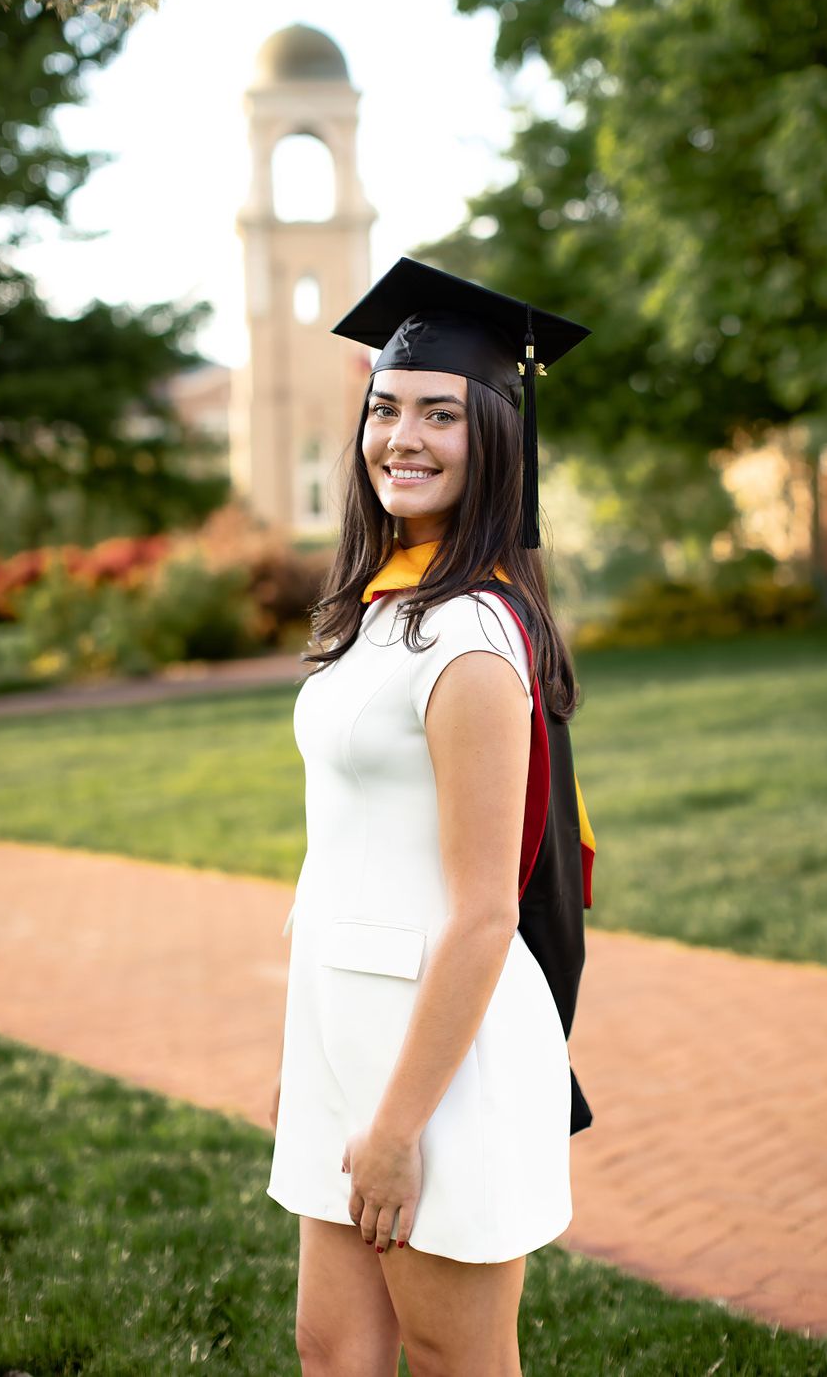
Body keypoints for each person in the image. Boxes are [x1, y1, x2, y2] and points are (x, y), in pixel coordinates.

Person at [266, 257, 596, 1377]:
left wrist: (400, 1127)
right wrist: (308, 1038)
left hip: (438, 1060)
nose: (401, 437)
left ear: (494, 438)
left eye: (440, 414)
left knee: (456, 1360)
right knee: (333, 1351)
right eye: (385, 408)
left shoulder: (469, 642)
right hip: (341, 1032)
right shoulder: (379, 613)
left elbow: (480, 915)